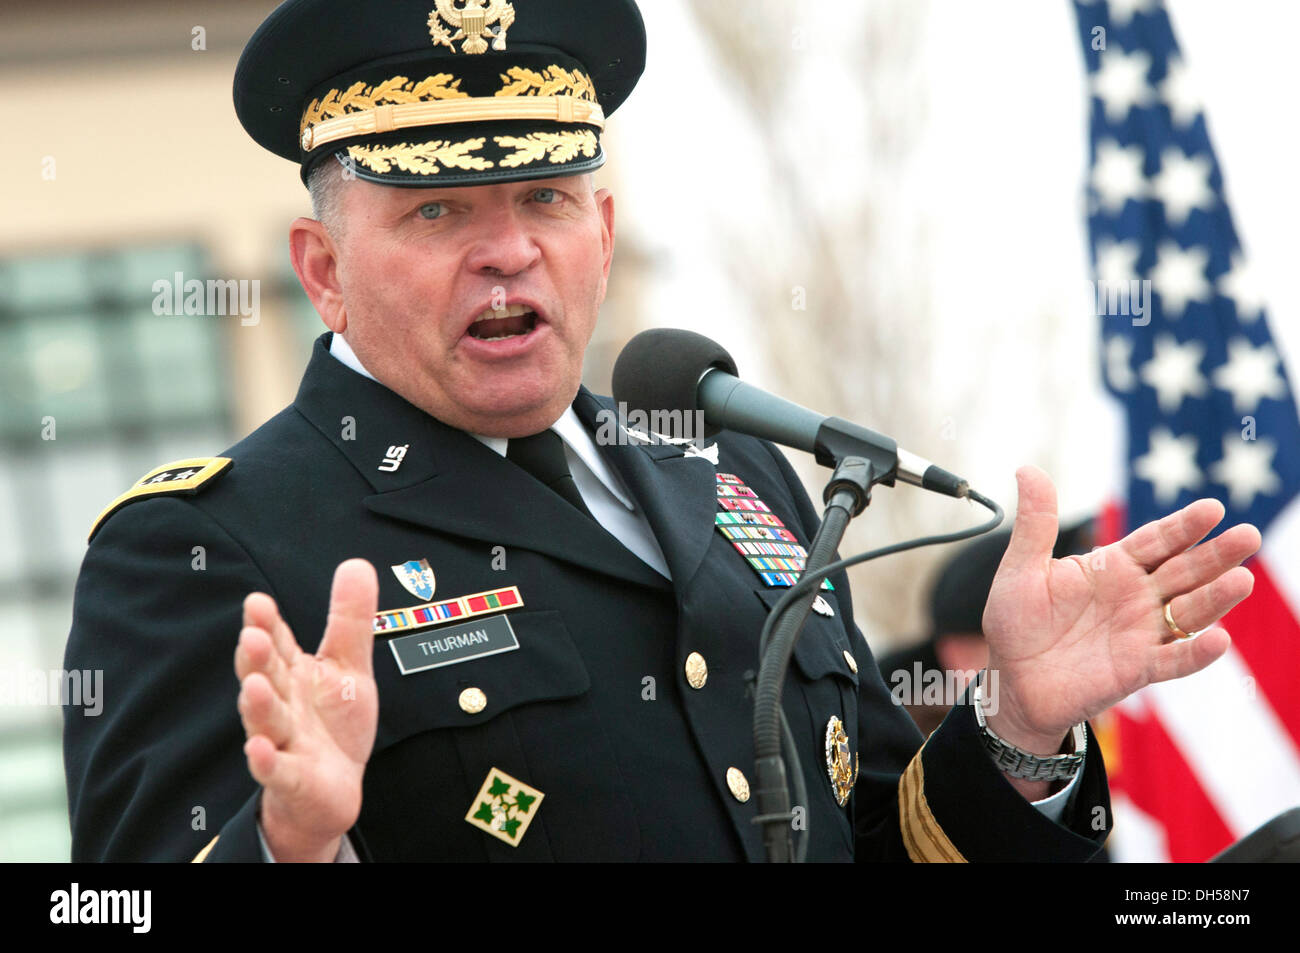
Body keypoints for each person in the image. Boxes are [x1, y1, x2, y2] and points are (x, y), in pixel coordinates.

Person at [63, 0, 1260, 862]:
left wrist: (1018, 724)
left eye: (544, 197)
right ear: (321, 269)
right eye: (437, 210)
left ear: (604, 229)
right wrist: (289, 849)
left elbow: (894, 839)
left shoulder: (738, 478)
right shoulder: (209, 541)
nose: (508, 248)